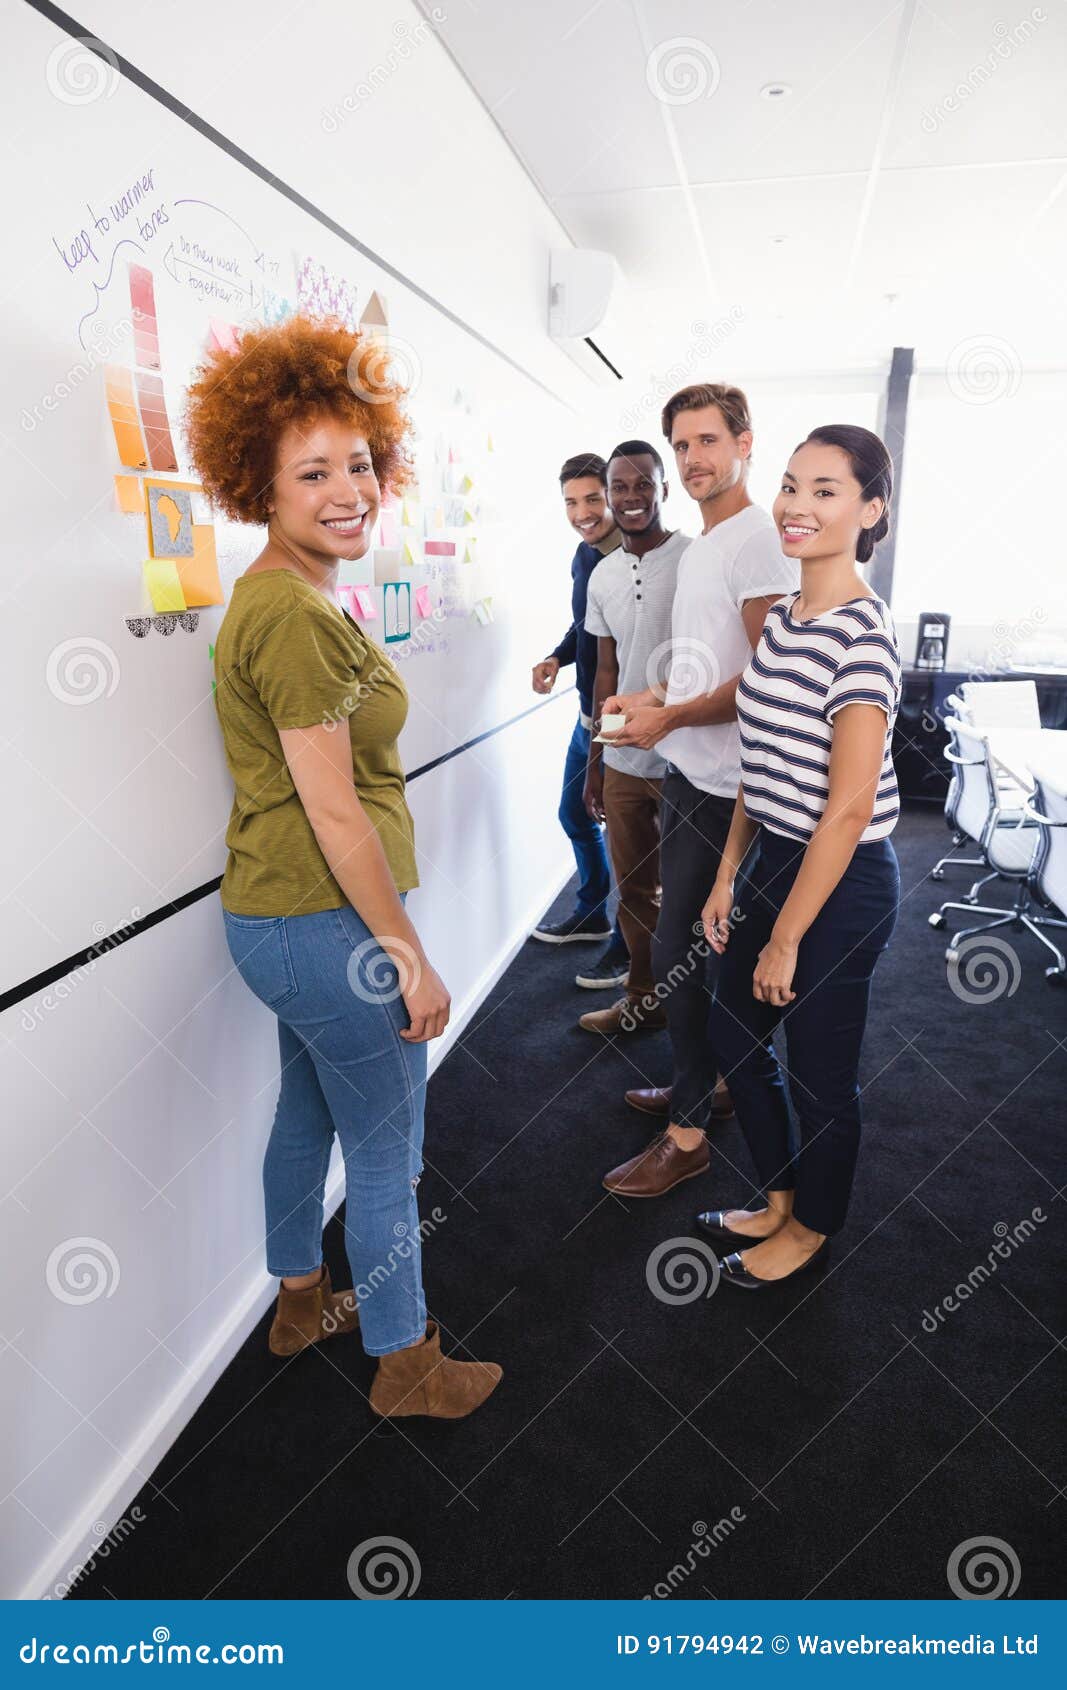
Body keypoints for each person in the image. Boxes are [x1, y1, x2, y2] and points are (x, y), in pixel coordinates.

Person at [185, 315, 501, 1417]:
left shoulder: (289, 594)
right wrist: (405, 954)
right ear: (257, 487)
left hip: (284, 920)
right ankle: (406, 1364)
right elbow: (332, 806)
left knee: (307, 1117)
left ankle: (296, 1301)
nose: (346, 488)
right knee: (385, 1145)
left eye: (358, 463)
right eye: (311, 471)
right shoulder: (291, 612)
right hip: (320, 919)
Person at [698, 424, 901, 1289]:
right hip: (776, 854)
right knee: (732, 1033)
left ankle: (811, 1227)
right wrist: (725, 872)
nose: (796, 506)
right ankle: (778, 1196)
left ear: (868, 510)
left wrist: (785, 936)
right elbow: (760, 757)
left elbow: (848, 810)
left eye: (825, 490)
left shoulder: (863, 636)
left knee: (818, 1069)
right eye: (790, 485)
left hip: (843, 880)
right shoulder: (781, 619)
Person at [598, 385, 798, 1197]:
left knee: (685, 955)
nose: (691, 460)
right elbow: (704, 665)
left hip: (732, 793)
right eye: (680, 445)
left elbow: (768, 680)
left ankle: (687, 1137)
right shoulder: (710, 542)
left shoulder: (757, 541)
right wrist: (651, 704)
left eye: (707, 441)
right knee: (685, 951)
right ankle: (702, 1089)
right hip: (690, 772)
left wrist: (672, 713)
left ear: (745, 442)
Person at [577, 441, 691, 1037]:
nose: (630, 497)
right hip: (624, 760)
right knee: (636, 892)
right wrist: (596, 761)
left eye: (642, 484)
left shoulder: (696, 560)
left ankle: (698, 1019)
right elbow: (606, 674)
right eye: (619, 487)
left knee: (692, 897)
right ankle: (643, 999)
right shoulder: (603, 574)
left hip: (690, 759)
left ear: (663, 488)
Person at [530, 454, 630, 990]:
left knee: (628, 841)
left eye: (593, 498)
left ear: (615, 495)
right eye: (571, 502)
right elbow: (584, 628)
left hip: (621, 723)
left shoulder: (634, 558)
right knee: (575, 814)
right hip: (587, 716)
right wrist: (556, 656)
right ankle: (593, 911)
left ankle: (627, 949)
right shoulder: (584, 553)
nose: (583, 512)